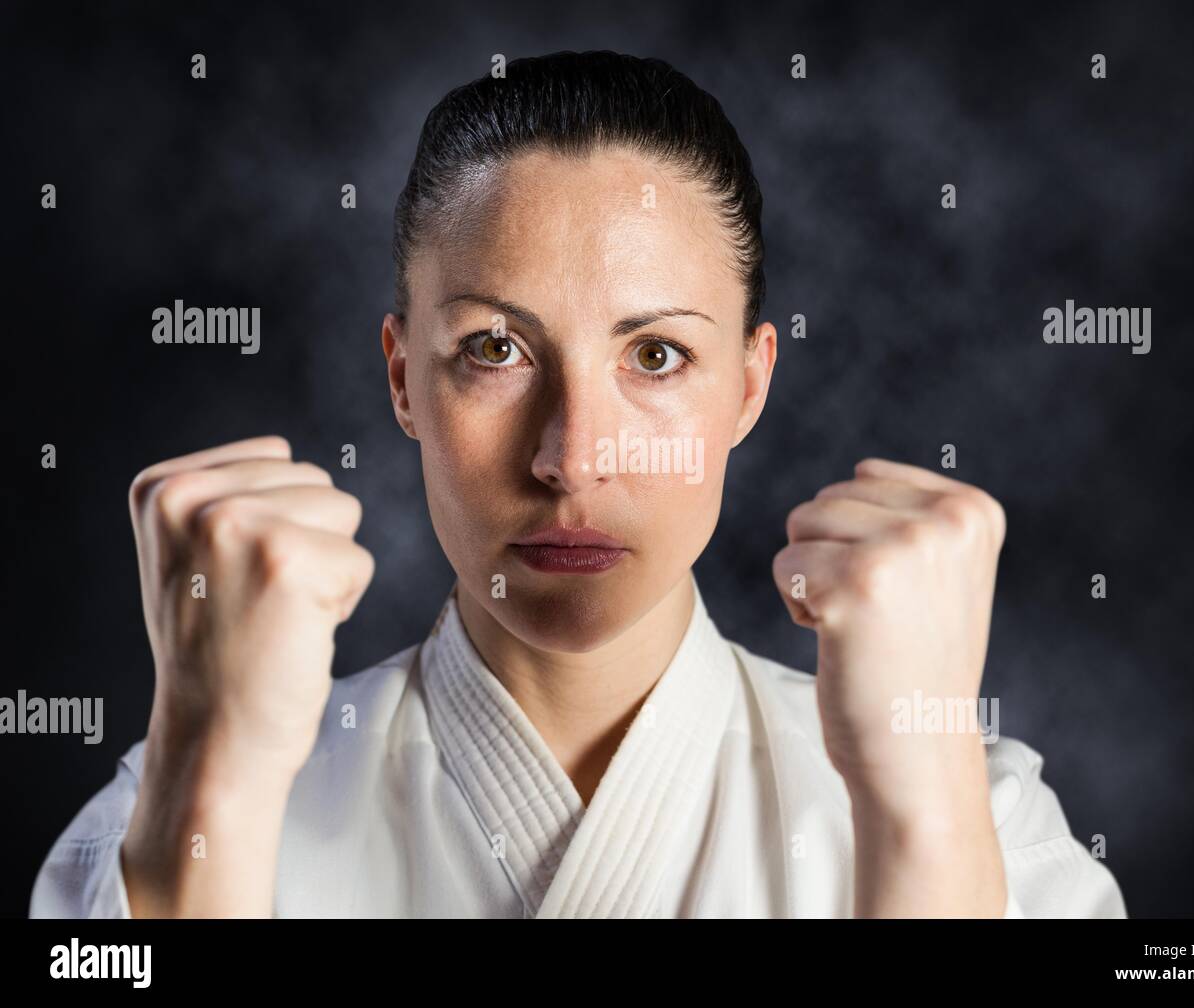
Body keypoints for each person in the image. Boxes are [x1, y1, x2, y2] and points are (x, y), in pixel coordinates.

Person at [30, 50, 1126, 919]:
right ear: (404, 378)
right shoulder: (163, 814)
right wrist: (207, 770)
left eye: (655, 356)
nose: (573, 457)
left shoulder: (983, 821)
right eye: (494, 351)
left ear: (748, 387)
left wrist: (920, 818)